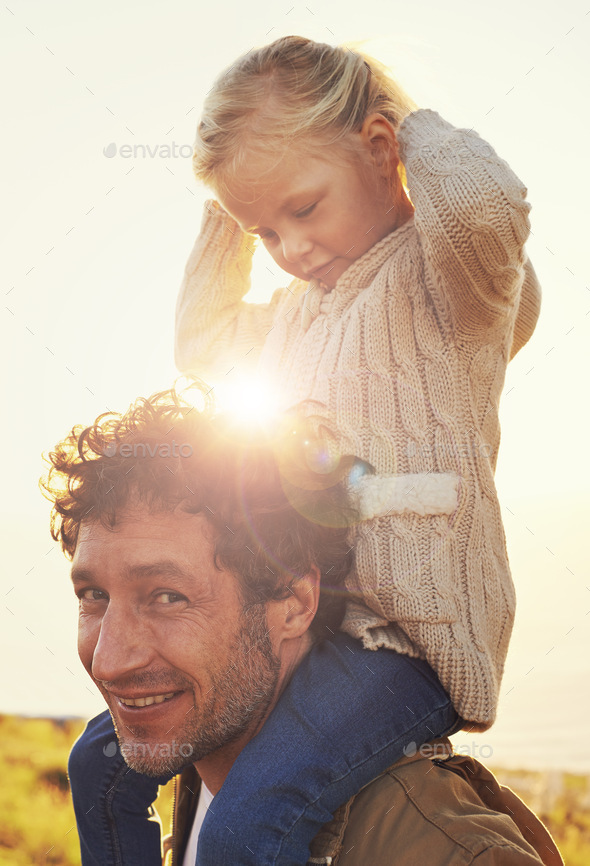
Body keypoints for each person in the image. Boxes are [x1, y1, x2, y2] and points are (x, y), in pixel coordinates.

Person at [68, 34, 543, 864]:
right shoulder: (299, 311)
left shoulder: (448, 294)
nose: (290, 248)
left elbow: (479, 209)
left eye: (303, 208)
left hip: (402, 645)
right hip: (310, 625)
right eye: (266, 229)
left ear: (381, 151)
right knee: (99, 766)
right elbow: (203, 340)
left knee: (255, 822)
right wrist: (231, 214)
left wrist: (407, 122)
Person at [43, 385, 562, 865]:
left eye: (167, 596)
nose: (109, 659)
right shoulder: (201, 771)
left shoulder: (445, 853)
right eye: (94, 595)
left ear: (294, 601)